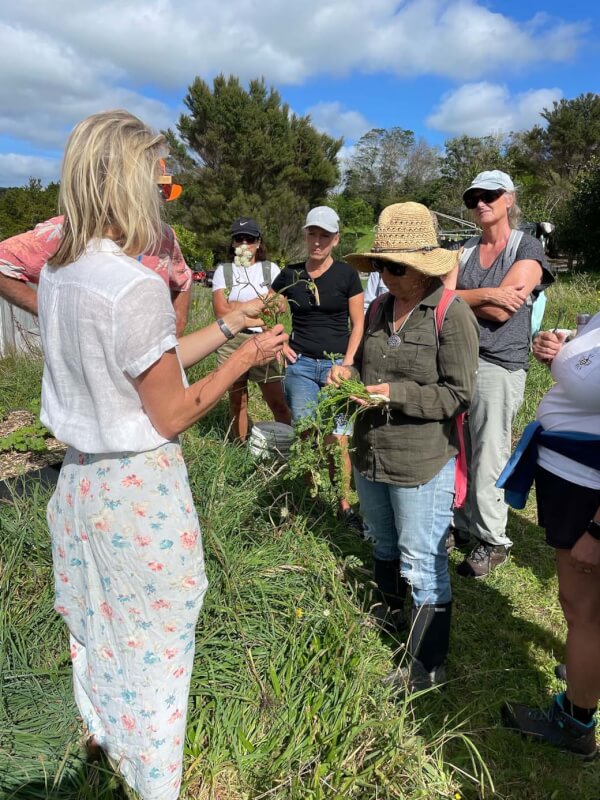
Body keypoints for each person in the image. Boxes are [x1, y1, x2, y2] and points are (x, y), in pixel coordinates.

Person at [38, 109, 287, 799]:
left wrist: (228, 324)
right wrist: (247, 357)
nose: (162, 194)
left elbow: (146, 363)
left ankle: (105, 740)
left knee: (96, 623)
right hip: (138, 489)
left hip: (81, 480)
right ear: (126, 182)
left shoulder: (62, 275)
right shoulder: (136, 285)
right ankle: (153, 782)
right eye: (160, 180)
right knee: (157, 643)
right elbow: (172, 407)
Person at [329, 202, 479, 689]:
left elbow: (459, 395)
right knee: (384, 542)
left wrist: (396, 394)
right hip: (371, 451)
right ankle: (394, 617)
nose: (384, 276)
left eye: (395, 267)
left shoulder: (451, 316)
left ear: (422, 268)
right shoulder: (377, 308)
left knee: (421, 559)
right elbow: (366, 369)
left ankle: (427, 666)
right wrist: (347, 375)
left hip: (422, 460)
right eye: (379, 266)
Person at [499, 311, 600, 757]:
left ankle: (575, 722)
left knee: (583, 612)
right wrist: (566, 348)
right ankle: (586, 673)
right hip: (574, 479)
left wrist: (597, 530)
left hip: (588, 492)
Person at [445, 170, 554, 578]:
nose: (480, 203)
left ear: (509, 199)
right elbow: (443, 299)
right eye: (473, 197)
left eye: (489, 195)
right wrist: (488, 293)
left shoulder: (526, 248)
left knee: (489, 450)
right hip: (460, 358)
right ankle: (462, 524)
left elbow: (503, 310)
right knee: (458, 447)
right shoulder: (466, 249)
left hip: (500, 363)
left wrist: (470, 299)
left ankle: (493, 539)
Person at [0, 161, 191, 336]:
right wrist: (49, 312)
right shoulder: (70, 231)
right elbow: (3, 262)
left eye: (165, 190)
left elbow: (183, 281)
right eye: (160, 190)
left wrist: (177, 331)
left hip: (153, 363)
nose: (162, 201)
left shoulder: (163, 235)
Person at [271, 206, 364, 531]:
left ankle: (342, 503)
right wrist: (280, 342)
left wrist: (348, 364)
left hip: (336, 367)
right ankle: (311, 496)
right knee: (306, 432)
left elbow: (358, 323)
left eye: (325, 235)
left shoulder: (347, 275)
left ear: (335, 239)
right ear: (306, 234)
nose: (317, 241)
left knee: (337, 438)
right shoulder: (289, 274)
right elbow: (268, 309)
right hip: (300, 366)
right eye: (313, 233)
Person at [212, 218, 291, 440]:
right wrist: (258, 305)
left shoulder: (270, 269)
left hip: (264, 339)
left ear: (258, 242)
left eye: (250, 238)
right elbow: (220, 312)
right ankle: (240, 446)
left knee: (276, 401)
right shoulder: (224, 271)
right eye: (239, 238)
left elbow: (277, 307)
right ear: (233, 243)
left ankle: (290, 446)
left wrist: (236, 308)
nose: (244, 243)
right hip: (231, 341)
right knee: (238, 400)